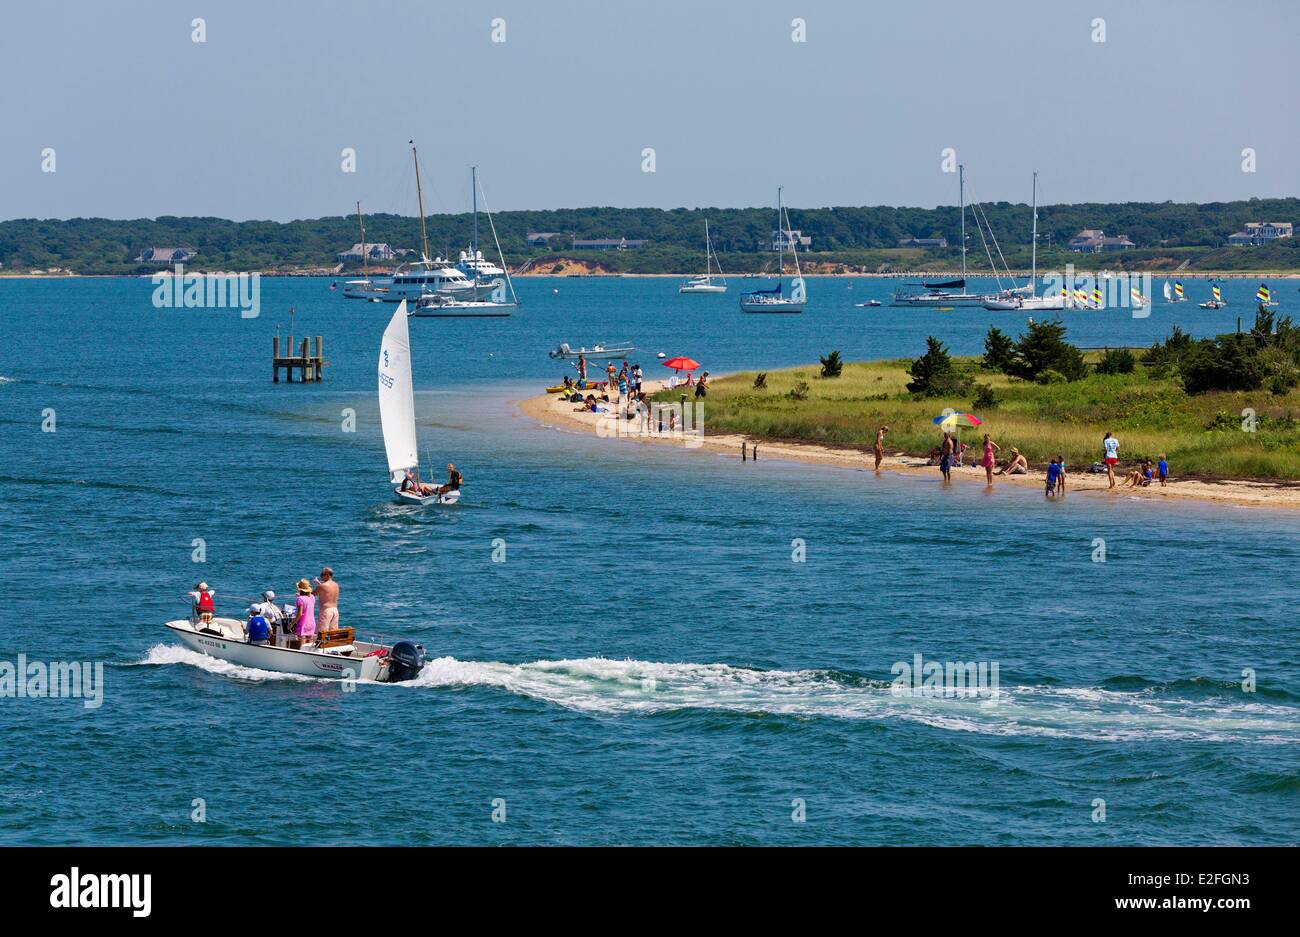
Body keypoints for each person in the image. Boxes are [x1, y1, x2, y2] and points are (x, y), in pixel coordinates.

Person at [313, 567, 340, 635]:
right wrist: (319, 583)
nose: (321, 576)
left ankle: (321, 645)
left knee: (322, 633)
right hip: (335, 611)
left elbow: (312, 594)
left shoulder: (323, 586)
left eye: (322, 574)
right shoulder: (336, 585)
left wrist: (300, 593)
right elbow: (326, 591)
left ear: (328, 575)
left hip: (326, 611)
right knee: (333, 633)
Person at [293, 579, 317, 646]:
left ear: (300, 590)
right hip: (312, 624)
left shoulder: (300, 599)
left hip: (303, 624)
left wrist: (291, 624)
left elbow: (300, 614)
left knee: (302, 646)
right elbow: (307, 596)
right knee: (310, 646)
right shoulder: (312, 597)